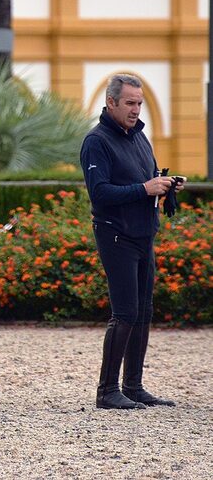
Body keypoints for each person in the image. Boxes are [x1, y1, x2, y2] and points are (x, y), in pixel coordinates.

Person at [80, 73, 183, 410]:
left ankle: (133, 386)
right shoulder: (96, 141)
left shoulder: (139, 137)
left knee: (143, 311)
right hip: (115, 233)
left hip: (143, 234)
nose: (136, 109)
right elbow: (100, 192)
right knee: (124, 312)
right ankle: (107, 391)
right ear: (111, 103)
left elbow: (146, 179)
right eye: (130, 103)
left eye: (139, 103)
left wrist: (165, 185)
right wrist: (144, 189)